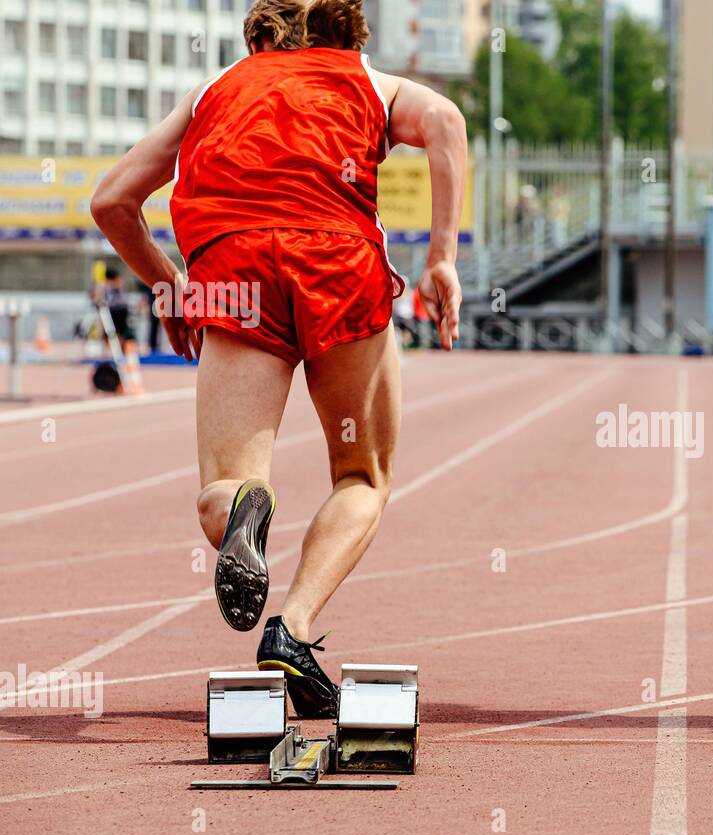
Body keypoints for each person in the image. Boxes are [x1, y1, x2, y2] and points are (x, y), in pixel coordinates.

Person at [90, 0, 466, 718]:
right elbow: (446, 121)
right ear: (347, 28)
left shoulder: (215, 92)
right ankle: (290, 632)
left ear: (259, 33)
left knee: (225, 482)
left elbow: (112, 201)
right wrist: (441, 259)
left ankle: (240, 509)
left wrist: (171, 288)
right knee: (361, 474)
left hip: (233, 276)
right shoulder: (367, 81)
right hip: (336, 266)